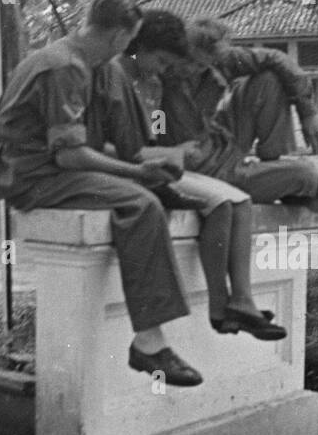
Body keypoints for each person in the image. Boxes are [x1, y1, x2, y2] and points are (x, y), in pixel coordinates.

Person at [0, 0, 204, 387]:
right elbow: (71, 157)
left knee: (145, 189)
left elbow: (106, 134)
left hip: (56, 164)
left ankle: (154, 186)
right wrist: (137, 175)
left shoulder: (96, 64)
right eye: (131, 40)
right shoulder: (63, 66)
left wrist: (146, 161)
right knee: (140, 204)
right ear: (121, 36)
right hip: (31, 175)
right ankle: (149, 343)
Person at [89, 23, 288, 342]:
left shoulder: (151, 82)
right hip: (129, 171)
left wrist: (171, 150)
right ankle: (219, 307)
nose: (167, 70)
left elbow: (152, 134)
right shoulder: (111, 78)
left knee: (241, 202)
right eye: (164, 62)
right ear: (144, 49)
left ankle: (241, 300)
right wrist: (161, 153)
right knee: (220, 204)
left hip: (157, 164)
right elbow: (97, 144)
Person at [133, 10, 318, 214]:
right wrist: (167, 149)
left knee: (269, 79)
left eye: (200, 65)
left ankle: (272, 162)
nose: (190, 68)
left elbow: (275, 58)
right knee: (306, 174)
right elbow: (156, 123)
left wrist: (309, 112)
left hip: (219, 146)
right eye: (188, 59)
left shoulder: (223, 62)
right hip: (201, 166)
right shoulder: (160, 77)